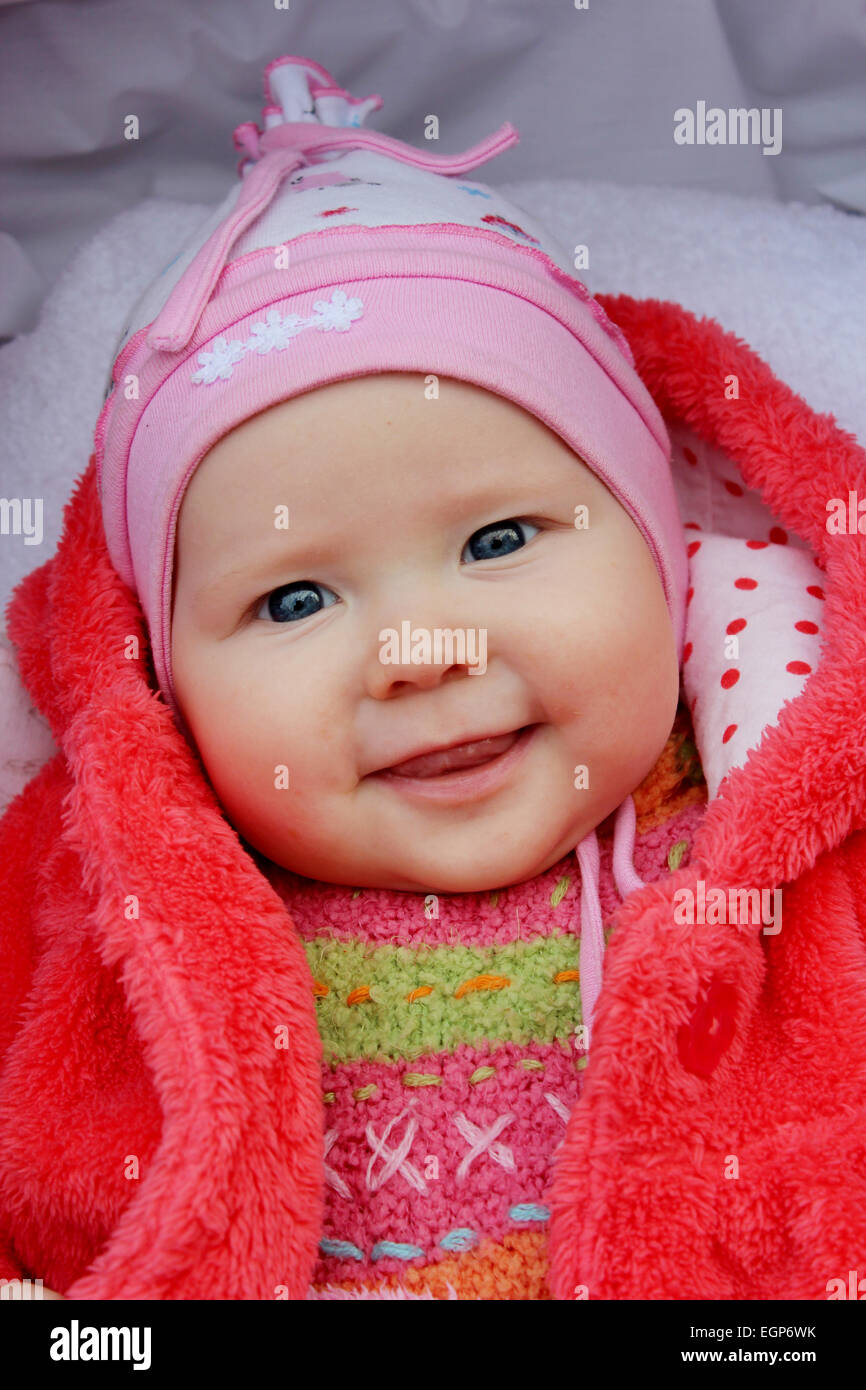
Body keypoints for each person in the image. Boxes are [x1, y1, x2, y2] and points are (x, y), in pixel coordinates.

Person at [2, 54, 865, 1302]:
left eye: (498, 541)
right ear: (162, 677)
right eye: (293, 598)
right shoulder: (93, 901)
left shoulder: (795, 821)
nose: (419, 654)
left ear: (658, 552)